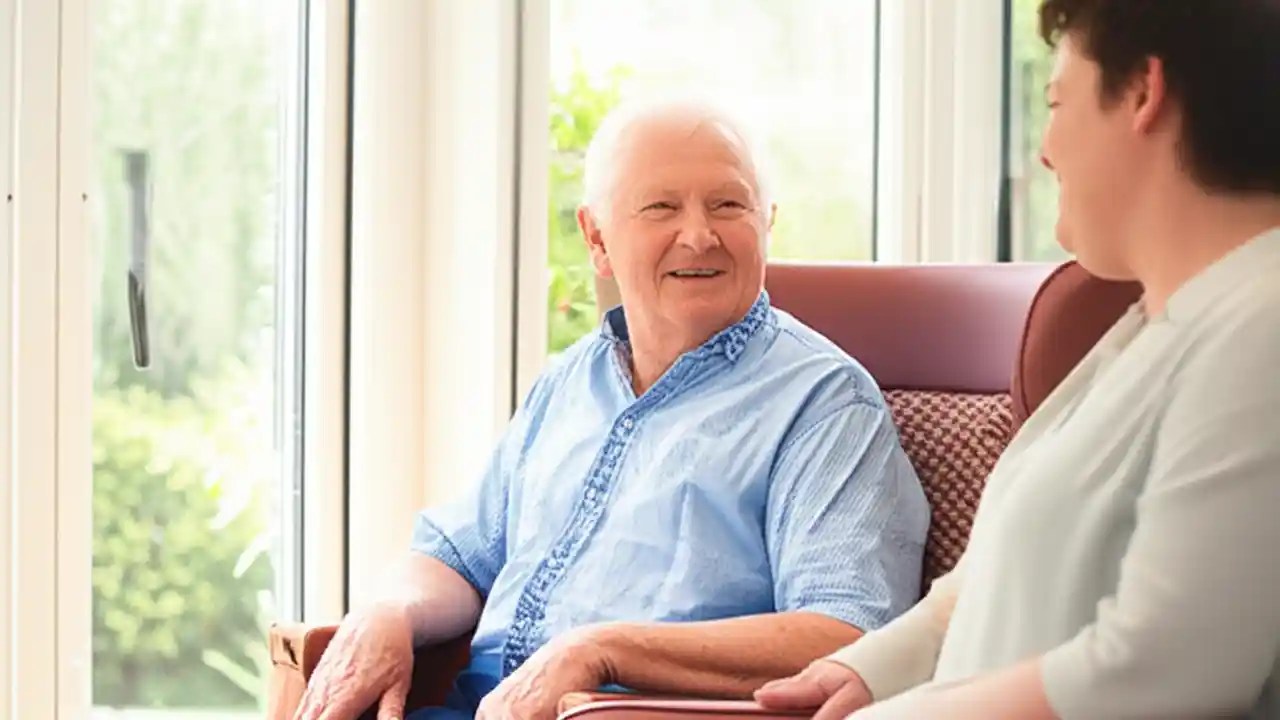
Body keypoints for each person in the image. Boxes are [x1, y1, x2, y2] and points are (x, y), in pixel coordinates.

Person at [294, 97, 930, 720]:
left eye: (728, 204)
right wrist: (388, 611)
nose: (699, 235)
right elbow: (458, 556)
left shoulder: (824, 403)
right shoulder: (567, 383)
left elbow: (848, 635)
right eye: (661, 207)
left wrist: (600, 652)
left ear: (767, 221)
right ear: (597, 239)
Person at [754, 1, 1280, 718]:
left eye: (1056, 101)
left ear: (1142, 94)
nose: (1044, 148)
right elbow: (1004, 571)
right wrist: (872, 671)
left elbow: (1165, 666)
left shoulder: (1259, 328)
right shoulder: (1148, 330)